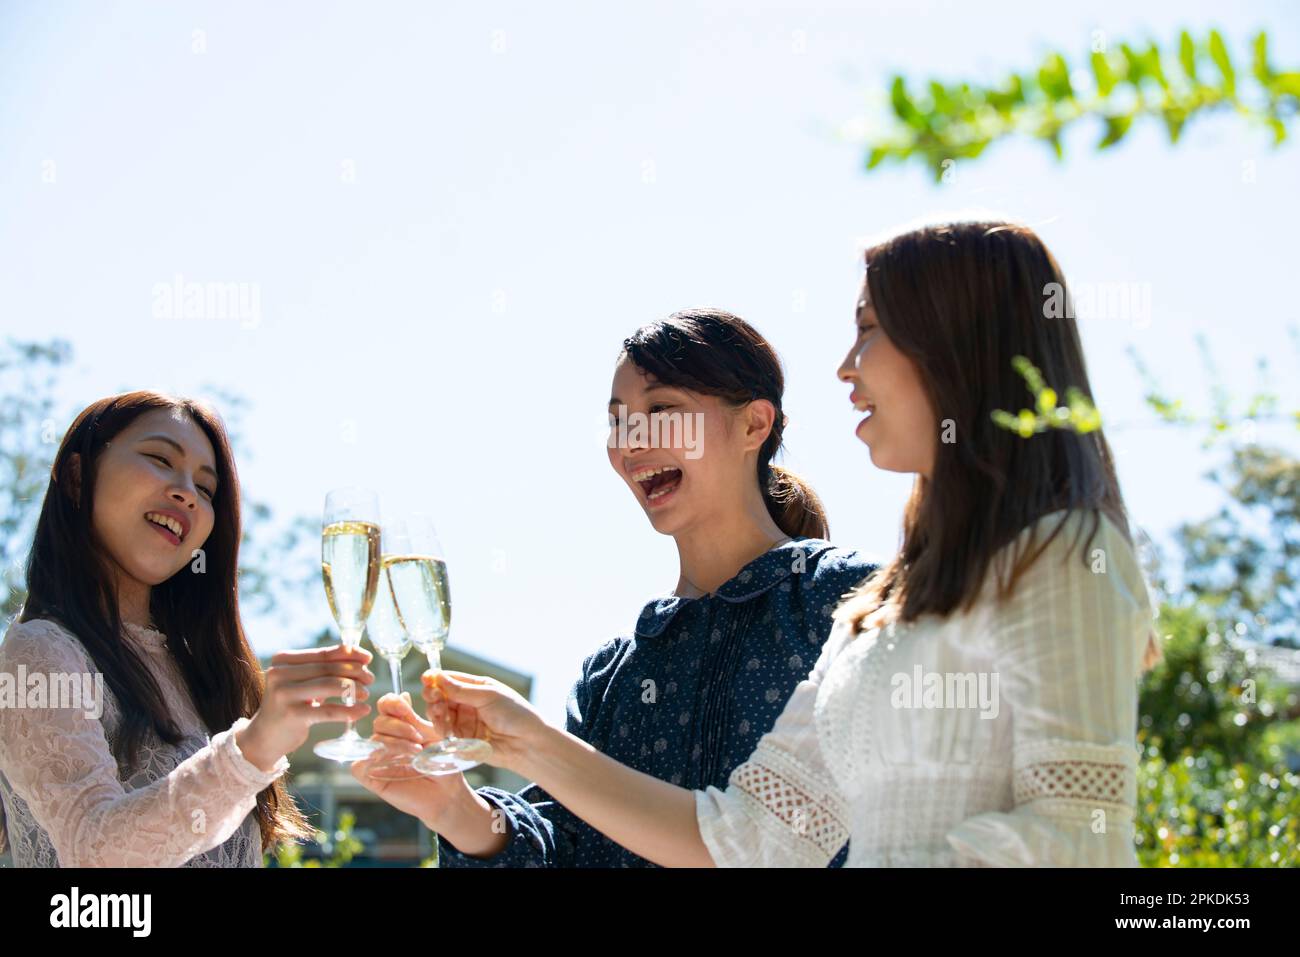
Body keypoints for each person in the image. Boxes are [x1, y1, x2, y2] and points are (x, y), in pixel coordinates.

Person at [376, 220, 1160, 866]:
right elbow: (746, 837)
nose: (845, 367)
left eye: (868, 330)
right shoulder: (879, 610)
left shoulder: (1058, 552)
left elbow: (1075, 840)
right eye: (617, 418)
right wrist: (521, 749)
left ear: (959, 342)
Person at [354, 309, 875, 866]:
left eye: (662, 410)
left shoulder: (847, 601)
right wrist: (454, 809)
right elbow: (561, 848)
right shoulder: (610, 676)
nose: (631, 443)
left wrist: (532, 743)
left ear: (753, 425)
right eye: (619, 420)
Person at [0, 391, 375, 867]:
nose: (187, 494)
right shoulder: (40, 652)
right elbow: (92, 851)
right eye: (160, 458)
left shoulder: (202, 674)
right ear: (77, 476)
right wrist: (254, 745)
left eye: (206, 488)